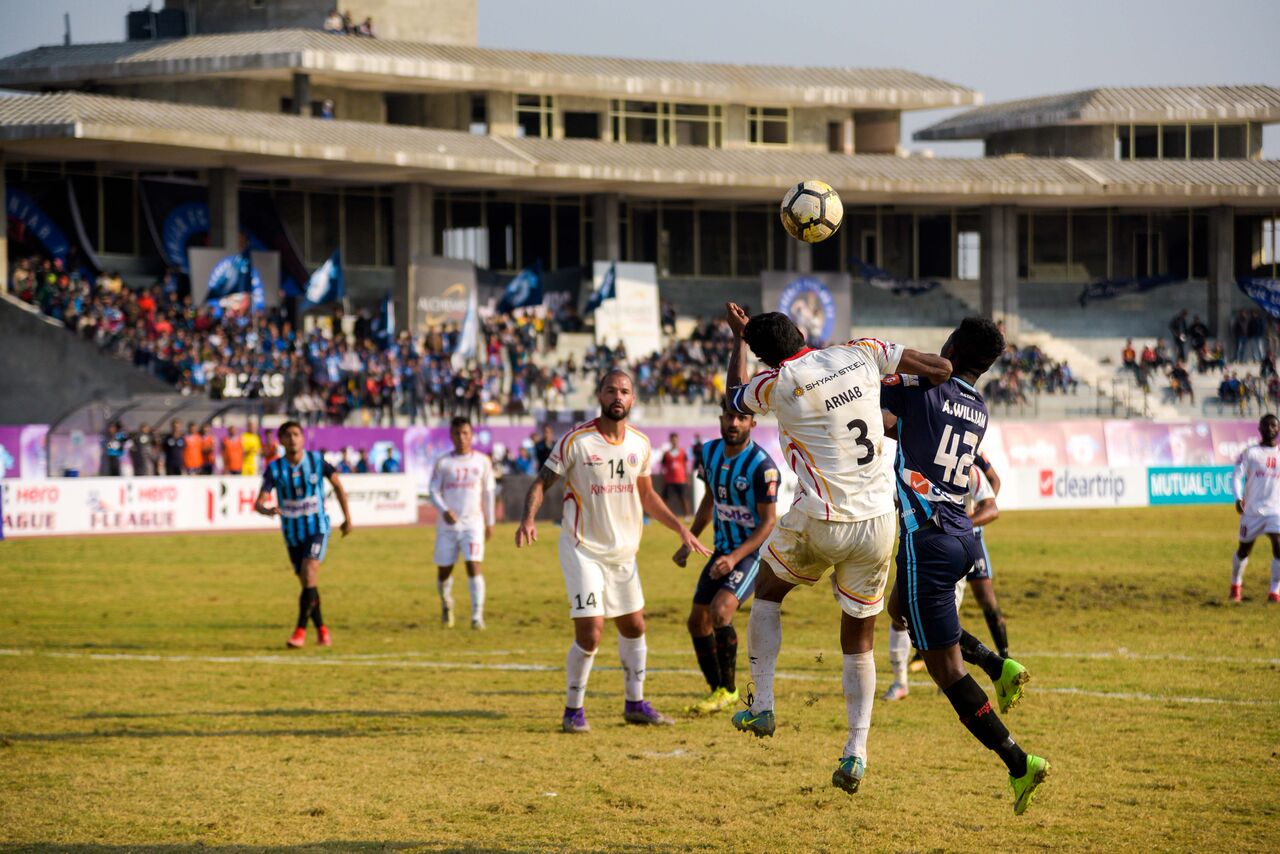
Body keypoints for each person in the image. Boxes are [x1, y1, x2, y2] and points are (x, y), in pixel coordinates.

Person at [721, 302, 949, 795]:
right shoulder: (860, 352)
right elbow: (940, 369)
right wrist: (900, 386)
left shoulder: (777, 383)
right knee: (858, 639)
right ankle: (856, 752)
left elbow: (732, 398)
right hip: (878, 522)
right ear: (803, 331)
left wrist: (739, 339)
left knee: (765, 593)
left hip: (822, 519)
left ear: (764, 358)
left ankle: (761, 704)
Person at [879, 316, 1049, 815]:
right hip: (960, 538)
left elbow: (869, 388)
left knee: (947, 671)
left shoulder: (918, 389)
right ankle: (1000, 664)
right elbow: (905, 429)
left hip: (924, 539)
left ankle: (1020, 763)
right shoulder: (978, 408)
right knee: (900, 610)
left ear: (951, 346)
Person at [515, 370, 710, 733]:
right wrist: (528, 517)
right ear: (600, 396)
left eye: (624, 391)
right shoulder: (577, 441)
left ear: (632, 399)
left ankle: (635, 703)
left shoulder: (639, 443)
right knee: (591, 632)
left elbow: (648, 496)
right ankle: (573, 711)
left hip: (624, 554)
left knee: (635, 625)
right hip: (582, 549)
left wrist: (681, 528)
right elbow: (541, 482)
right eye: (610, 391)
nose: (617, 397)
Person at [673, 400, 779, 715]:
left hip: (751, 553)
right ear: (721, 419)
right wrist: (689, 539)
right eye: (730, 416)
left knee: (720, 612)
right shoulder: (708, 453)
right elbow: (709, 498)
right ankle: (719, 689)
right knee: (697, 621)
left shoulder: (762, 466)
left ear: (752, 425)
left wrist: (734, 558)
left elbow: (768, 522)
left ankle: (730, 690)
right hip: (723, 549)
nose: (734, 423)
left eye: (742, 418)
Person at [886, 452, 1006, 699]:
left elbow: (991, 506)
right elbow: (895, 505)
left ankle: (965, 672)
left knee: (944, 623)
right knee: (897, 612)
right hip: (914, 552)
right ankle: (900, 683)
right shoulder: (910, 467)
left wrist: (962, 525)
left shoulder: (968, 469)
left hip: (949, 553)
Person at [255, 421, 353, 649]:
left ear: (302, 438)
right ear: (280, 440)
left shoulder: (316, 462)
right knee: (308, 583)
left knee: (309, 572)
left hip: (317, 527)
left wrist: (347, 517)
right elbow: (259, 501)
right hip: (291, 533)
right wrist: (266, 509)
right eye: (287, 435)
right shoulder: (275, 469)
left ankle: (299, 632)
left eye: (296, 434)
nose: (292, 439)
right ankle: (322, 630)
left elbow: (338, 485)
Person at [428, 418, 496, 629]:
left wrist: (490, 522)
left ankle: (477, 616)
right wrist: (444, 510)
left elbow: (488, 493)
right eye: (457, 434)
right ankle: (446, 601)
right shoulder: (443, 462)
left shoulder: (482, 461)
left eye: (465, 433)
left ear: (471, 435)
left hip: (473, 523)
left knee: (473, 565)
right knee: (444, 571)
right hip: (448, 526)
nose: (461, 438)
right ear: (451, 435)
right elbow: (432, 491)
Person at [1230, 413, 1280, 603]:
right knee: (1244, 550)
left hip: (1275, 511)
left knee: (1278, 544)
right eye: (1266, 425)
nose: (1270, 428)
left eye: (1274, 425)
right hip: (1252, 512)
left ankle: (1275, 591)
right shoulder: (1250, 453)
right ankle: (1236, 584)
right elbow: (1236, 476)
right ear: (1259, 429)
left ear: (1278, 429)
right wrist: (1238, 498)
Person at [660, 433, 690, 517]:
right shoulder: (666, 454)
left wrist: (687, 479)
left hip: (681, 480)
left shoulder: (683, 452)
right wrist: (663, 479)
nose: (674, 441)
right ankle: (663, 516)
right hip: (669, 480)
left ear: (678, 440)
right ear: (670, 441)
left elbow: (685, 466)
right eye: (672, 439)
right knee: (665, 499)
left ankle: (687, 516)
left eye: (675, 439)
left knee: (683, 499)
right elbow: (663, 468)